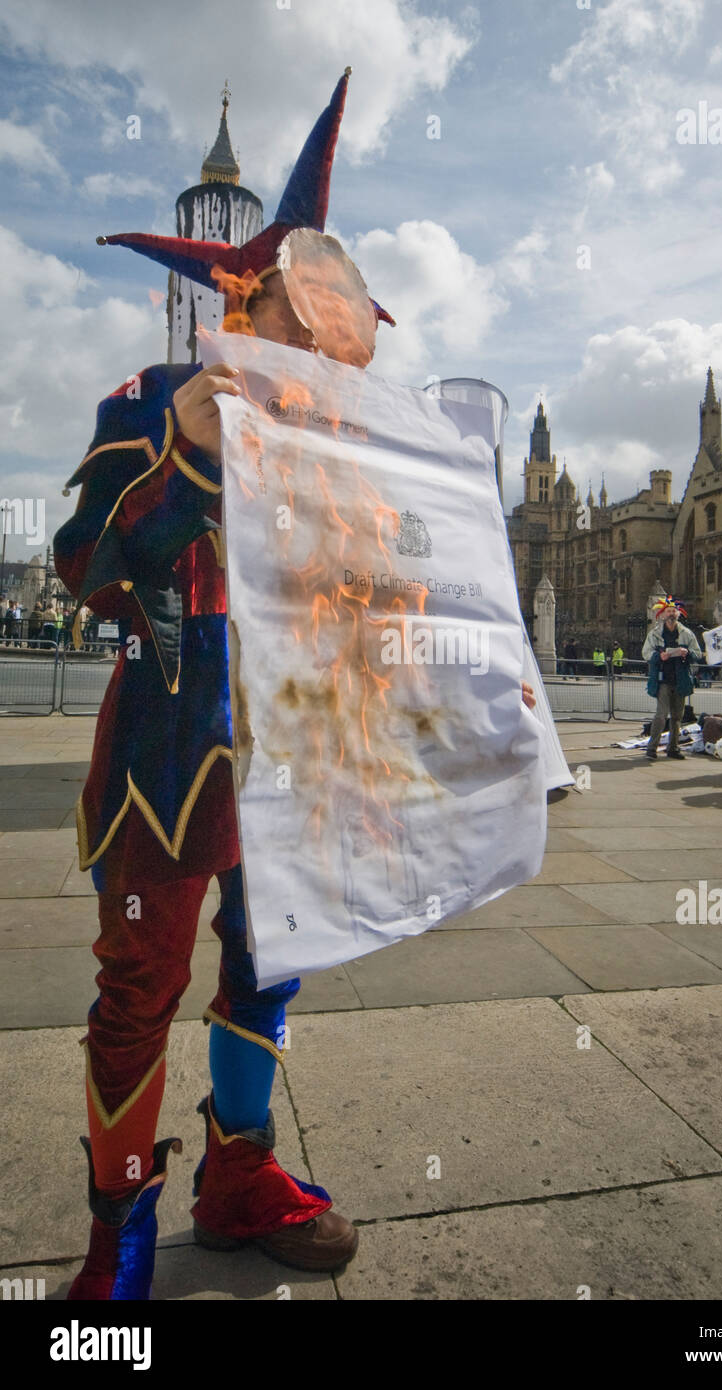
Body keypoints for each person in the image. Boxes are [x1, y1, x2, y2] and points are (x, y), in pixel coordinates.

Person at [55, 71, 535, 1303]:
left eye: (338, 318)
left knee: (273, 965)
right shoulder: (154, 401)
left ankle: (238, 1177)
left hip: (303, 754)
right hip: (172, 744)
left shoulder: (352, 446)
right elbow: (92, 572)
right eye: (300, 307)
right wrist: (187, 461)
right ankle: (118, 1230)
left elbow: (393, 606)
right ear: (240, 294)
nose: (322, 335)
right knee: (139, 988)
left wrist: (489, 685)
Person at [641, 597, 701, 760]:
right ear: (662, 615)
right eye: (668, 611)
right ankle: (651, 748)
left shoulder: (687, 634)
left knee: (677, 717)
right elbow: (646, 653)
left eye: (674, 611)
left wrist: (687, 653)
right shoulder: (654, 634)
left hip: (680, 680)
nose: (671, 614)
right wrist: (660, 656)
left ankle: (673, 748)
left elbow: (698, 654)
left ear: (678, 613)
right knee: (661, 715)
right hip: (663, 680)